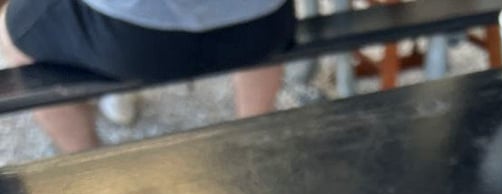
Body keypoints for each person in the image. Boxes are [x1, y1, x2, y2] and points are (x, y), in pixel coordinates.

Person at [0, 0, 295, 153]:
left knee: (11, 34)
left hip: (133, 40)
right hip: (264, 26)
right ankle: (253, 133)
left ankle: (90, 163)